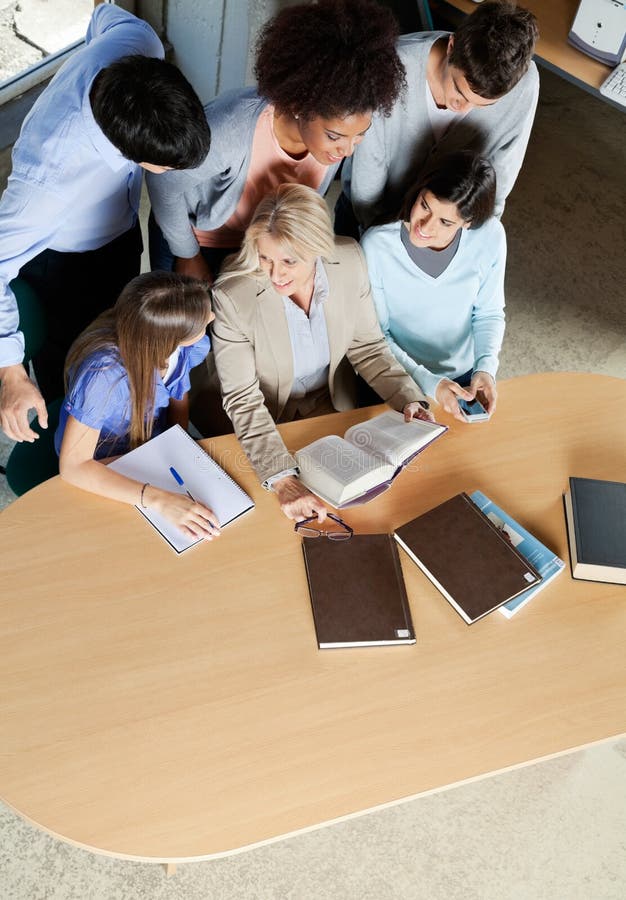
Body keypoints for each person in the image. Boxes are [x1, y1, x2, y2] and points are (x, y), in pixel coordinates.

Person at [0, 3, 211, 443]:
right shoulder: (48, 183)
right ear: (131, 152)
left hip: (118, 237)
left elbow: (103, 16)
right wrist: (10, 375)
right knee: (78, 381)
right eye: (167, 168)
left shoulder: (138, 42)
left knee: (132, 350)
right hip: (61, 265)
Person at [211, 184, 433, 522]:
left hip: (332, 405)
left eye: (289, 261)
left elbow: (368, 347)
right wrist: (282, 480)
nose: (275, 274)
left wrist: (408, 400)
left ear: (317, 248)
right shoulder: (232, 296)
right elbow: (242, 398)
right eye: (265, 257)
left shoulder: (350, 260)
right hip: (265, 419)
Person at [147, 0, 406, 283]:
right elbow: (164, 184)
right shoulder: (231, 127)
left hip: (257, 243)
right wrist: (188, 255)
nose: (346, 150)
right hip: (195, 237)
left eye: (360, 135)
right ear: (299, 105)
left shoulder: (335, 136)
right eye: (335, 137)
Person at [338, 0, 539, 235]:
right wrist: (379, 239)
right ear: (452, 46)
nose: (464, 109)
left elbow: (500, 173)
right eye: (459, 91)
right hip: (366, 214)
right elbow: (367, 177)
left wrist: (474, 235)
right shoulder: (390, 66)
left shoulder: (524, 87)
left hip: (443, 229)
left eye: (483, 105)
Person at [55, 272, 220, 542]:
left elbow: (179, 390)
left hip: (149, 446)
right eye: (203, 320)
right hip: (102, 464)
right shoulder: (104, 374)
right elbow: (74, 466)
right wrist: (160, 500)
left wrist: (179, 444)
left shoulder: (191, 344)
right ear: (168, 338)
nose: (211, 318)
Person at [360, 151, 505, 422]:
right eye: (425, 206)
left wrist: (485, 369)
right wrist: (431, 384)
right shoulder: (377, 246)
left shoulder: (490, 236)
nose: (425, 226)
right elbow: (377, 337)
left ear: (468, 223)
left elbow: (488, 313)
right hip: (400, 378)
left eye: (446, 222)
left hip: (464, 379)